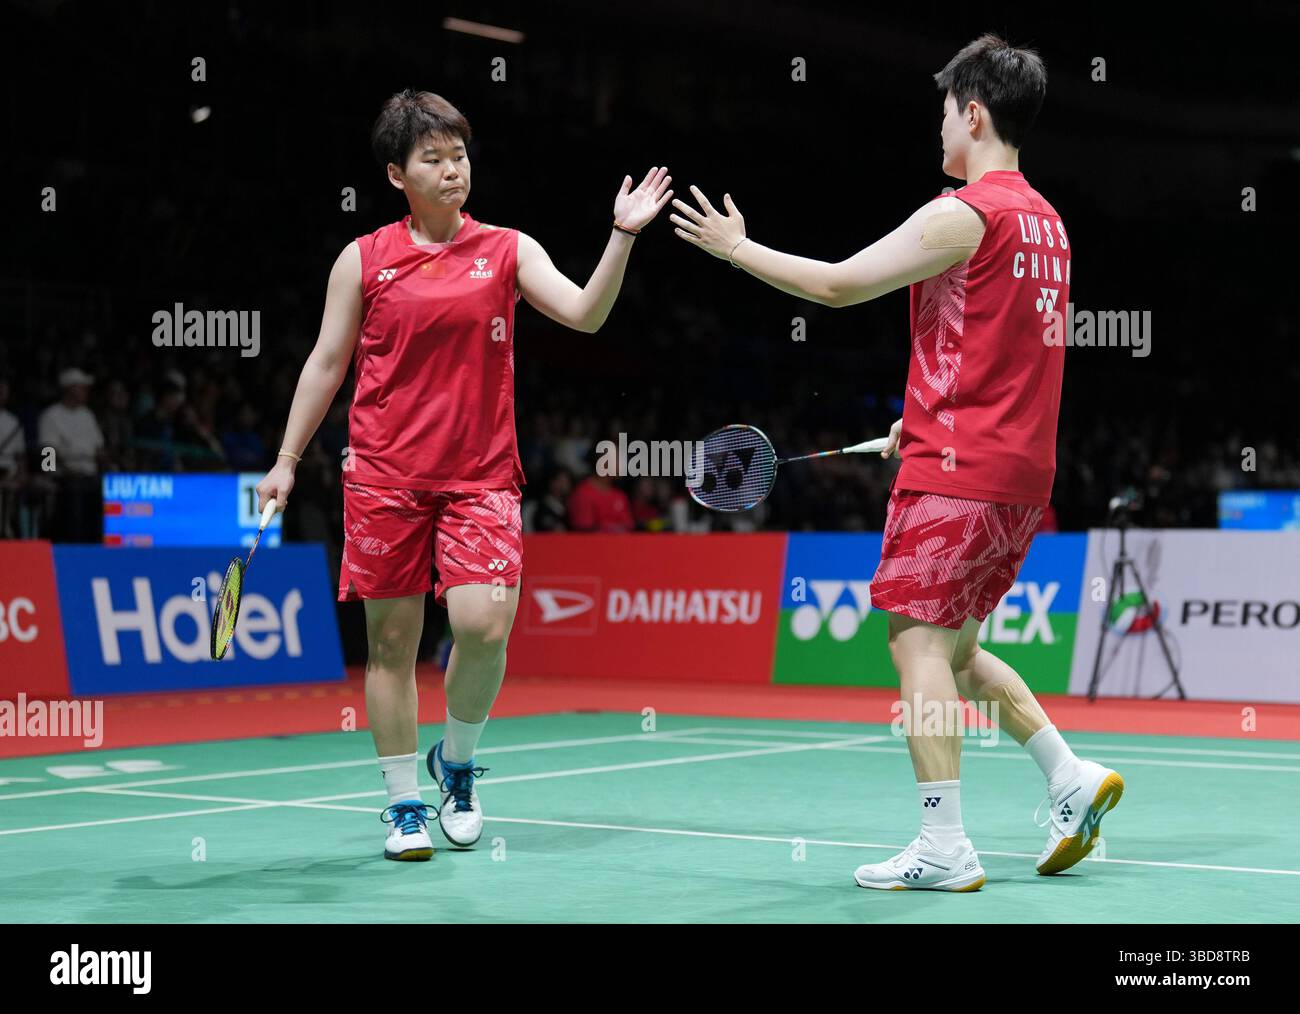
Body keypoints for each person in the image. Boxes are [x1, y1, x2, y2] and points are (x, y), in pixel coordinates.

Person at [671, 34, 1122, 891]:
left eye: (946, 111)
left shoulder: (964, 211)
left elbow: (839, 285)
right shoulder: (1049, 224)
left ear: (976, 114)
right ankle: (1070, 777)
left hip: (959, 473)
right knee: (955, 651)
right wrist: (917, 419)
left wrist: (736, 248)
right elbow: (1007, 348)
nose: (940, 127)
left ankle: (944, 845)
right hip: (1018, 475)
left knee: (914, 641)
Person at [255, 90, 671, 861]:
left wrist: (619, 237)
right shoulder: (364, 259)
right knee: (391, 644)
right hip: (383, 475)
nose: (453, 172)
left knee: (482, 625)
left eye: (460, 157)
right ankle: (402, 803)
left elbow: (584, 314)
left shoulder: (507, 250)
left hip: (480, 476)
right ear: (395, 174)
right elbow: (326, 363)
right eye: (434, 160)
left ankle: (456, 763)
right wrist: (286, 461)